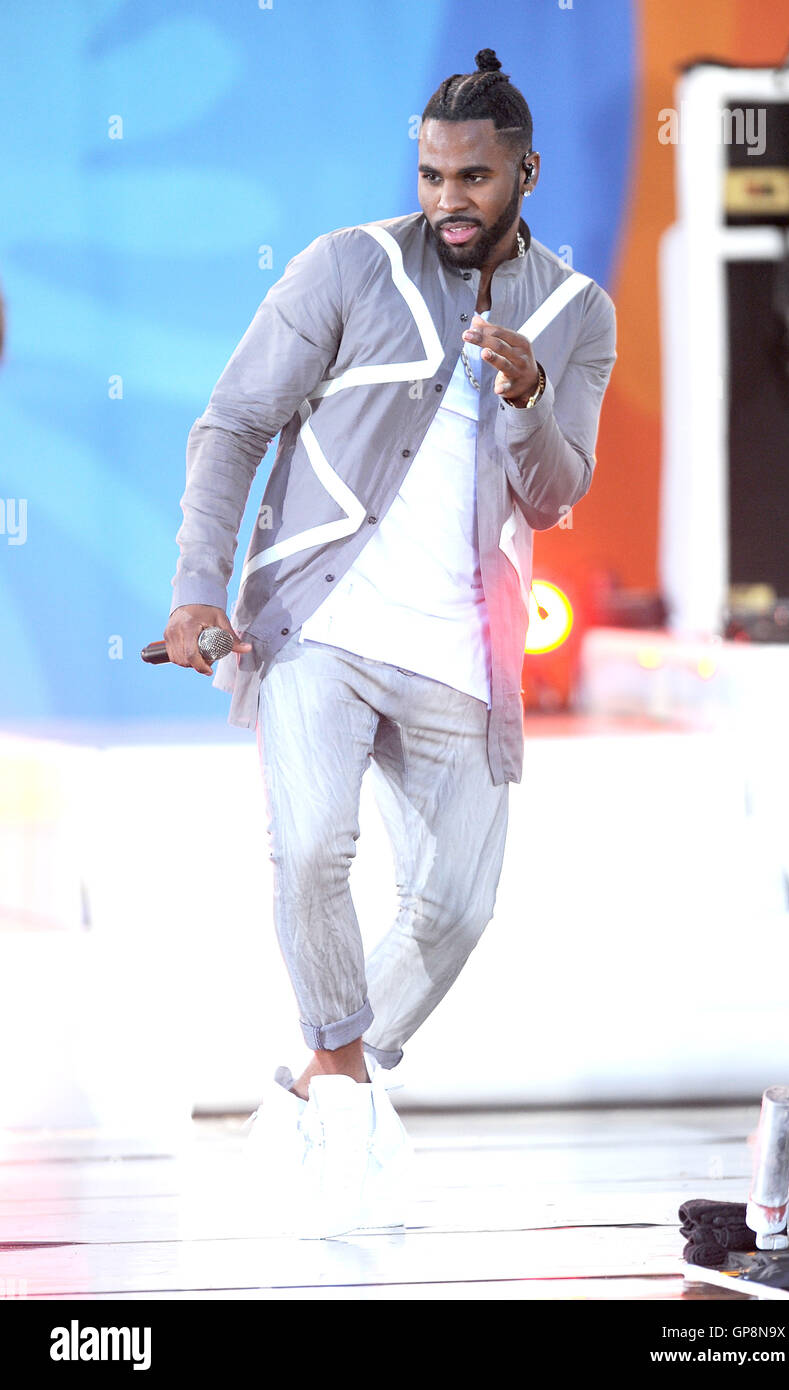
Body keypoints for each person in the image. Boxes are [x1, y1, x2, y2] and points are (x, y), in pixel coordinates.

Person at [164, 49, 616, 1233]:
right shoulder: (346, 266)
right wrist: (196, 585)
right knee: (310, 848)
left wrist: (525, 399)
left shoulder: (578, 313)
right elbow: (233, 424)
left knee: (456, 907)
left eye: (473, 177)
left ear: (525, 170)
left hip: (462, 654)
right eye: (429, 176)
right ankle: (346, 1098)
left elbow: (558, 494)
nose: (448, 199)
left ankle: (319, 1079)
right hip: (321, 622)